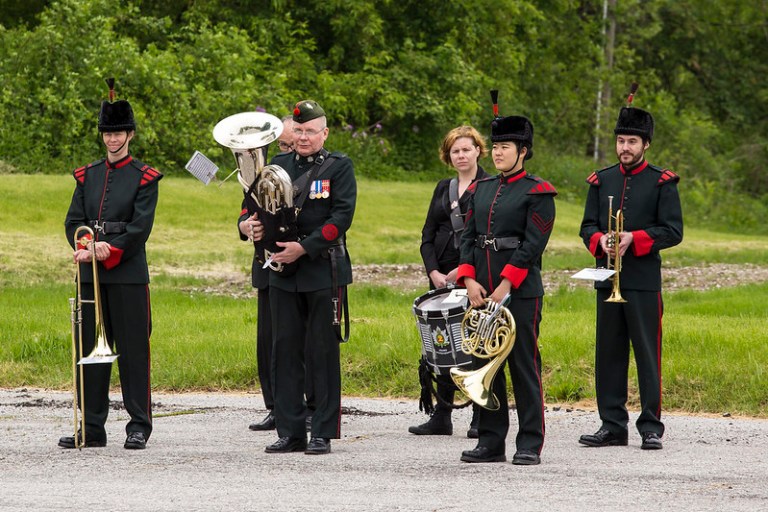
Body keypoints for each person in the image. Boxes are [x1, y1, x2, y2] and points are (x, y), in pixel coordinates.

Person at [60, 79, 162, 450]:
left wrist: (110, 250)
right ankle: (92, 427)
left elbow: (139, 228)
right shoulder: (87, 175)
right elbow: (73, 222)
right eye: (108, 133)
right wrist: (87, 246)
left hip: (129, 276)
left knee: (134, 352)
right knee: (90, 353)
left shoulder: (146, 177)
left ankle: (138, 425)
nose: (113, 139)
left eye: (119, 132)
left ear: (130, 134)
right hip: (91, 277)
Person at [578, 91, 683, 451]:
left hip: (641, 282)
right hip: (607, 281)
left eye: (632, 141)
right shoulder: (600, 180)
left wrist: (632, 238)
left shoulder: (661, 181)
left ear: (646, 144)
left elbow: (673, 231)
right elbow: (586, 227)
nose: (625, 147)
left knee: (647, 354)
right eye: (621, 141)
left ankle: (651, 426)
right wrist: (601, 242)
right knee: (608, 353)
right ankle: (612, 425)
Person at [252, 100, 356, 455]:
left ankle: (322, 432)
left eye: (311, 131)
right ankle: (291, 430)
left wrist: (304, 247)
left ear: (324, 133)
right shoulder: (277, 164)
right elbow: (253, 208)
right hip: (282, 273)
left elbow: (340, 218)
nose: (304, 136)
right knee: (284, 351)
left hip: (320, 270)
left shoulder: (339, 167)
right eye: (298, 130)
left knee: (321, 353)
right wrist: (245, 226)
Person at [456, 108, 556, 465]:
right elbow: (467, 238)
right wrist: (469, 279)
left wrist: (505, 284)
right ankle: (490, 441)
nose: (497, 152)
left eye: (506, 146)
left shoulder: (539, 191)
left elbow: (533, 245)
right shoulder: (481, 189)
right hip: (480, 292)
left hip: (521, 294)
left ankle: (530, 442)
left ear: (523, 151)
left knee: (523, 367)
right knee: (484, 364)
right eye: (495, 146)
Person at [409, 125, 490, 439]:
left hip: (473, 277)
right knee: (443, 346)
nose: (461, 155)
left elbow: (483, 236)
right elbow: (427, 237)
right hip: (441, 278)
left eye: (466, 149)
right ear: (449, 155)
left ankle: (480, 417)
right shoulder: (443, 187)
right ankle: (441, 416)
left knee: (474, 347)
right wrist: (434, 273)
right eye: (455, 151)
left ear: (477, 151)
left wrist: (462, 272)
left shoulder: (488, 185)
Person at [239, 116, 296, 432]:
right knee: (268, 341)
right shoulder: (267, 171)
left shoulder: (306, 171)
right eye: (282, 144)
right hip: (266, 265)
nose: (286, 149)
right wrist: (245, 226)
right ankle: (274, 406)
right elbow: (246, 208)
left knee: (297, 342)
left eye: (290, 143)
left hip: (296, 266)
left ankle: (305, 405)